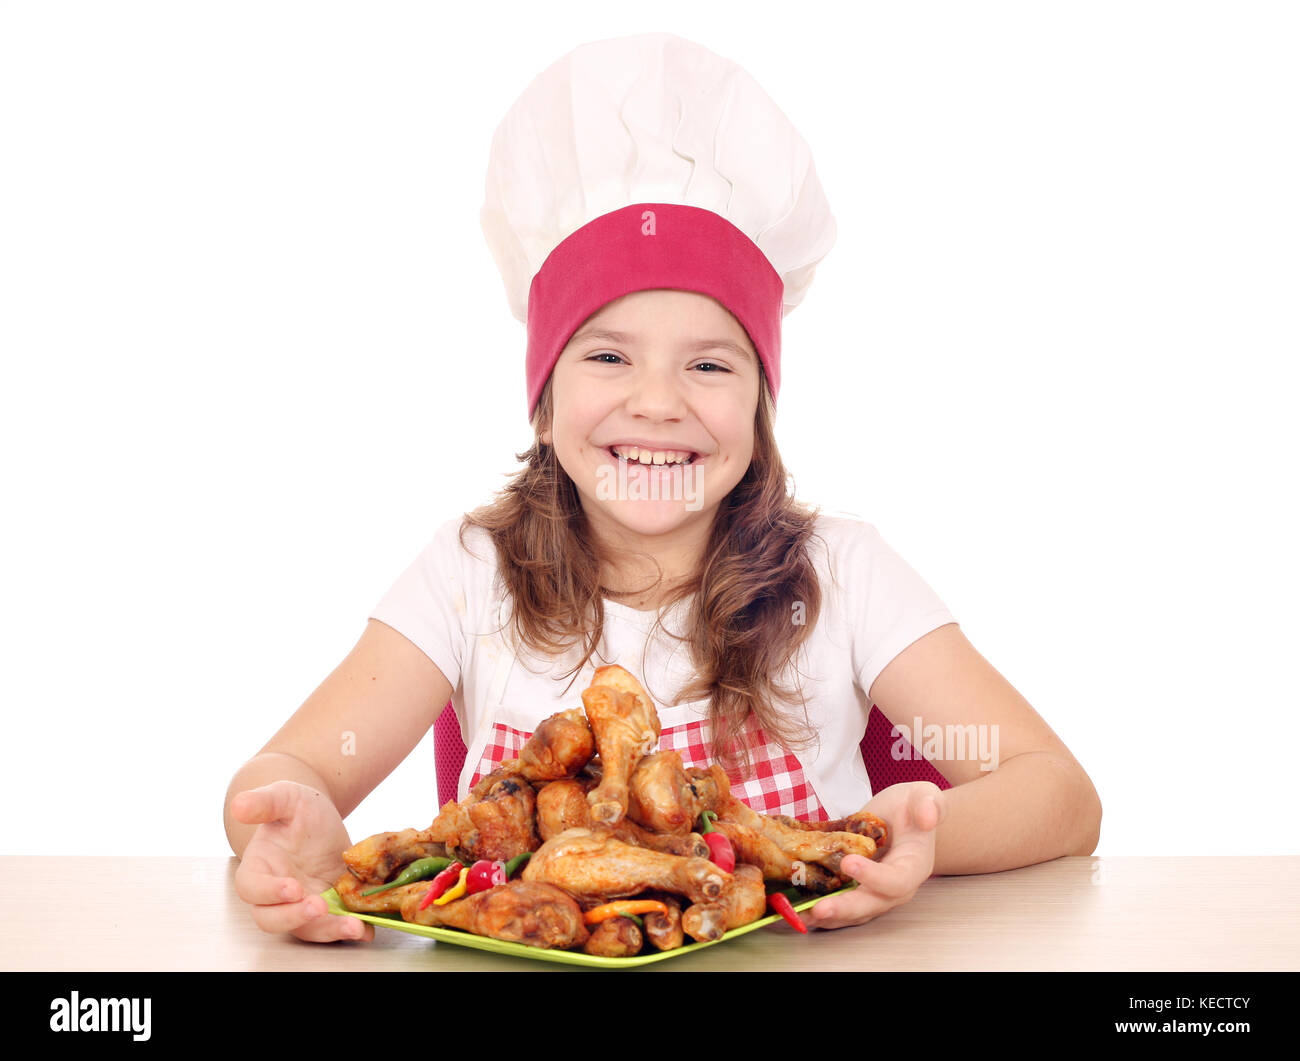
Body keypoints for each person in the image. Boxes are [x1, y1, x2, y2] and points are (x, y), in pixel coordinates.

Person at [224, 32, 1101, 944]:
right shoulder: (468, 574)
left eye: (710, 365)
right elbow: (292, 771)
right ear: (543, 396)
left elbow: (1062, 793)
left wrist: (912, 834)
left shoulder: (843, 574)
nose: (657, 403)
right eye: (608, 355)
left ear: (761, 404)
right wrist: (286, 823)